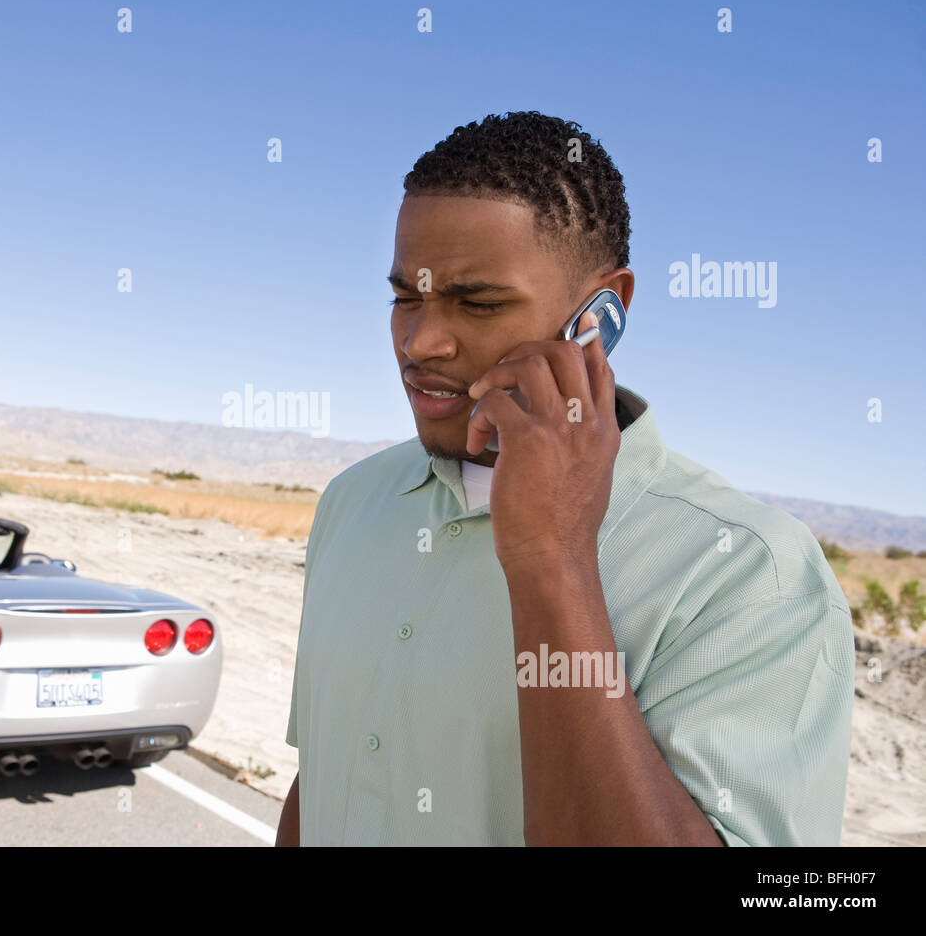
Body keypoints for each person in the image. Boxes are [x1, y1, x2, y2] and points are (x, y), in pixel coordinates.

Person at [275, 111, 854, 846]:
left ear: (599, 317)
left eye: (476, 302)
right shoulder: (352, 502)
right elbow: (325, 775)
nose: (419, 342)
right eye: (404, 298)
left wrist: (553, 558)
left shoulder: (749, 575)